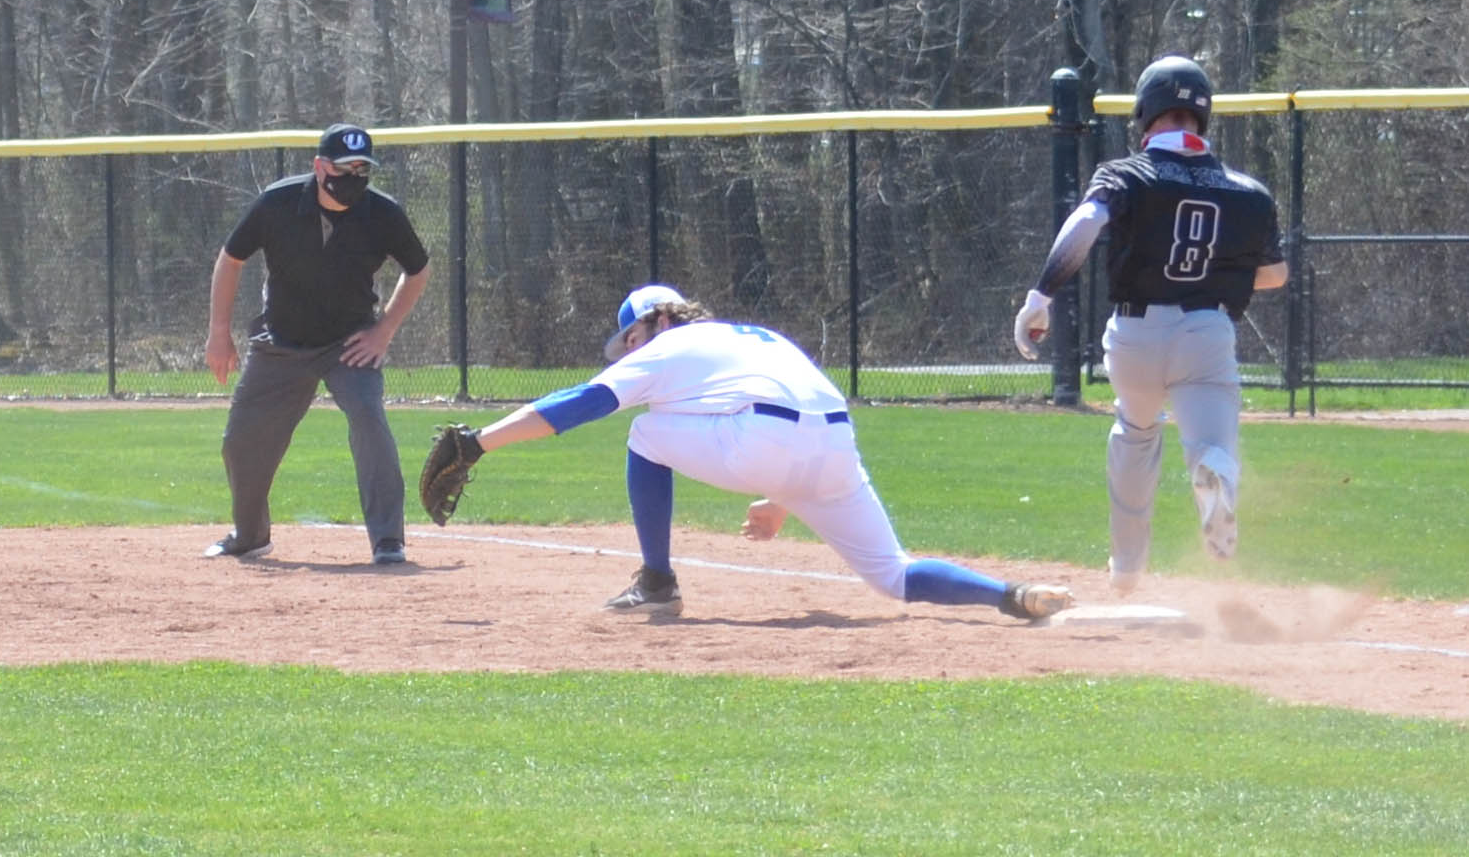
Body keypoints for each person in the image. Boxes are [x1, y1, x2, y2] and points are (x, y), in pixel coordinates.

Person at [449, 284, 1075, 619]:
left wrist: (479, 443)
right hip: (835, 441)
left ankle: (657, 583)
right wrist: (784, 496)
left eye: (632, 336)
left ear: (658, 322)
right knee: (894, 574)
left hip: (767, 437)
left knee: (643, 432)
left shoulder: (670, 346)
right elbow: (800, 410)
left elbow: (578, 405)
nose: (631, 350)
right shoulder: (756, 337)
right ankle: (1011, 595)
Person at [1012, 54, 1288, 595]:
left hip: (1134, 336)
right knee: (1211, 447)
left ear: (1146, 113)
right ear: (1202, 118)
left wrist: (1040, 295)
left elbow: (1086, 223)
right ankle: (1213, 473)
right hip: (1207, 332)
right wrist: (1213, 275)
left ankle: (1127, 569)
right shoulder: (1249, 192)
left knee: (1136, 433)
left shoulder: (1126, 173)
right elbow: (1275, 275)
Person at [203, 123, 432, 564]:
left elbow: (418, 270)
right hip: (282, 344)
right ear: (320, 167)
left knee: (369, 418)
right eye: (345, 168)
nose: (354, 178)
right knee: (240, 440)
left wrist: (383, 330)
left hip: (349, 343)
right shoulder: (279, 202)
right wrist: (219, 332)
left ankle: (388, 541)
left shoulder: (382, 213)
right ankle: (250, 536)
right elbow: (230, 259)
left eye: (363, 168)